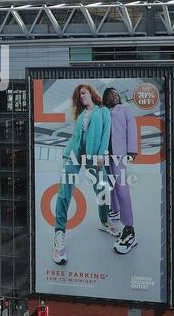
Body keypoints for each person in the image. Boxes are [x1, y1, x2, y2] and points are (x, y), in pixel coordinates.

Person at [50, 84, 112, 266]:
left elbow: (106, 133)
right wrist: (66, 154)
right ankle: (59, 234)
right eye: (79, 95)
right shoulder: (80, 116)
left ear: (91, 93)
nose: (81, 96)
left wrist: (102, 153)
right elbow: (75, 137)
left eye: (83, 93)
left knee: (102, 189)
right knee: (64, 192)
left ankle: (104, 221)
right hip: (74, 155)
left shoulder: (103, 112)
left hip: (94, 155)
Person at [102, 87, 139, 255]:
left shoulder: (125, 109)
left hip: (119, 154)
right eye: (111, 94)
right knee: (110, 184)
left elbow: (132, 129)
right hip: (105, 154)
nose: (115, 96)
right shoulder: (102, 111)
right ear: (105, 98)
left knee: (122, 188)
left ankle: (129, 228)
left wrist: (132, 151)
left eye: (117, 94)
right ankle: (114, 211)